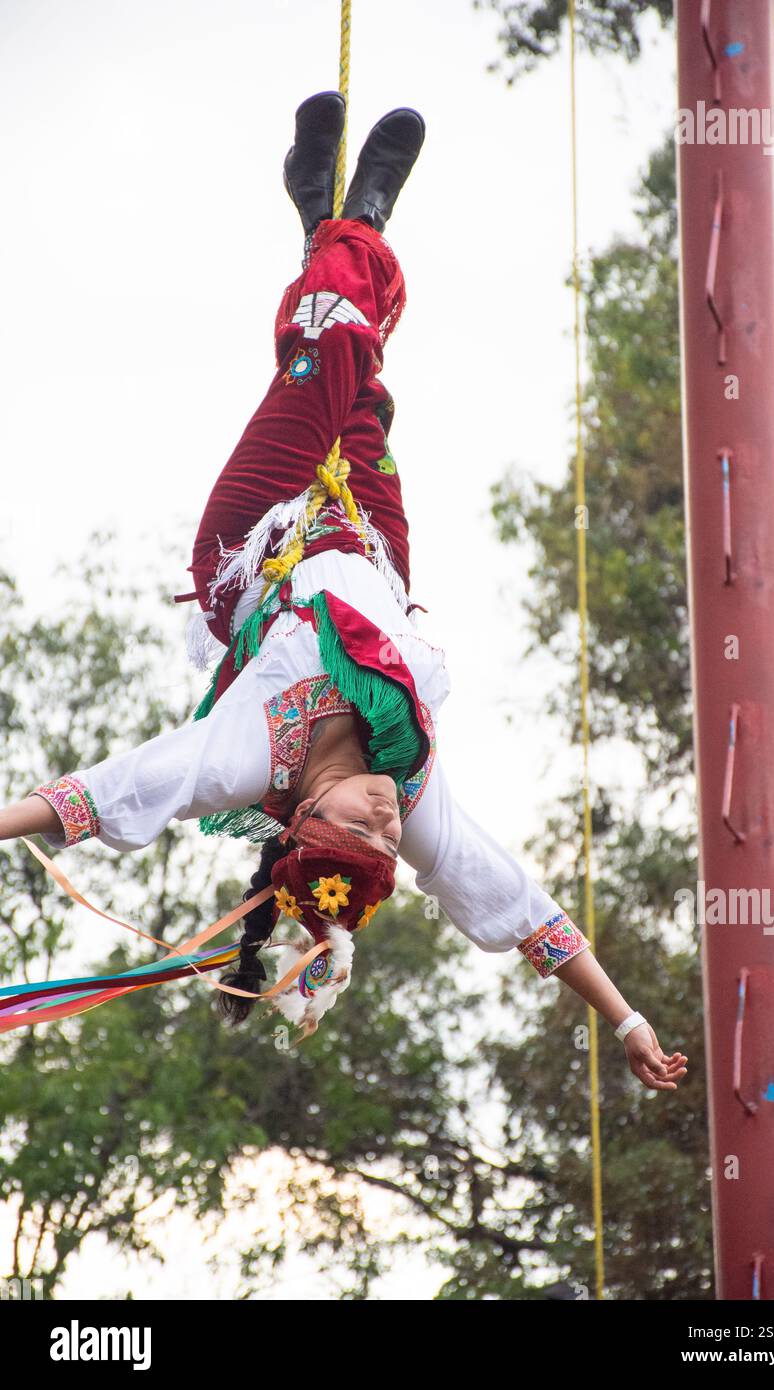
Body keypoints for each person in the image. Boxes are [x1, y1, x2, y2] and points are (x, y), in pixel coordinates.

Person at [0, 94, 687, 1088]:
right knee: (357, 379)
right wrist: (624, 1018)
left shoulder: (248, 758)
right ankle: (327, 214)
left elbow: (101, 795)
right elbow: (524, 911)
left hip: (254, 545)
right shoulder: (412, 785)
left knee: (327, 353)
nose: (389, 822)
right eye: (386, 838)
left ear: (308, 812)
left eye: (361, 825)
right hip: (369, 543)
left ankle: (355, 215)